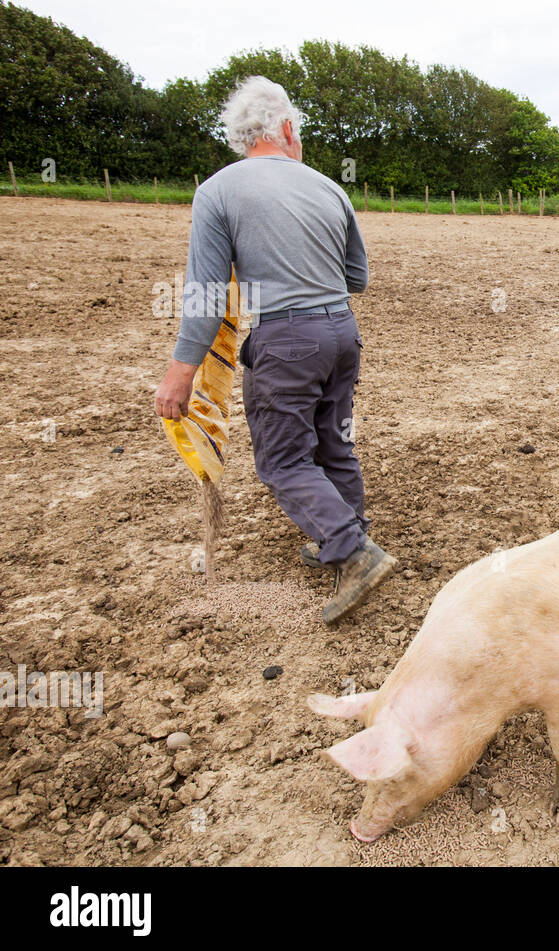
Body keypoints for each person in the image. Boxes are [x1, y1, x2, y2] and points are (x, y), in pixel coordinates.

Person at [154, 75, 395, 624]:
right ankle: (344, 538)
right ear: (286, 128)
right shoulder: (329, 187)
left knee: (284, 459)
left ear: (244, 137)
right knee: (333, 442)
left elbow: (208, 294)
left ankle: (353, 552)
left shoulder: (218, 190)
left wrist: (180, 373)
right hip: (341, 331)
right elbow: (356, 276)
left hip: (285, 340)